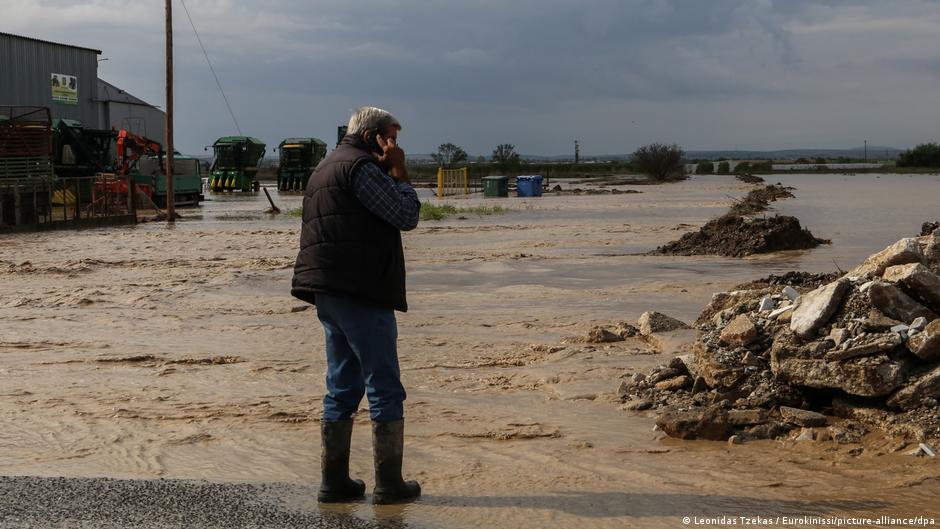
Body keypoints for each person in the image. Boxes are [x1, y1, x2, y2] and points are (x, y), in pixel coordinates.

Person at [291, 106, 421, 504]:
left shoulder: (325, 166)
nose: (395, 145)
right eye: (391, 138)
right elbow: (406, 215)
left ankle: (334, 482)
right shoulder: (361, 168)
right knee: (384, 385)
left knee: (342, 385)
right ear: (371, 137)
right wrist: (398, 170)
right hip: (360, 289)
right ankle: (389, 485)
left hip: (327, 290)